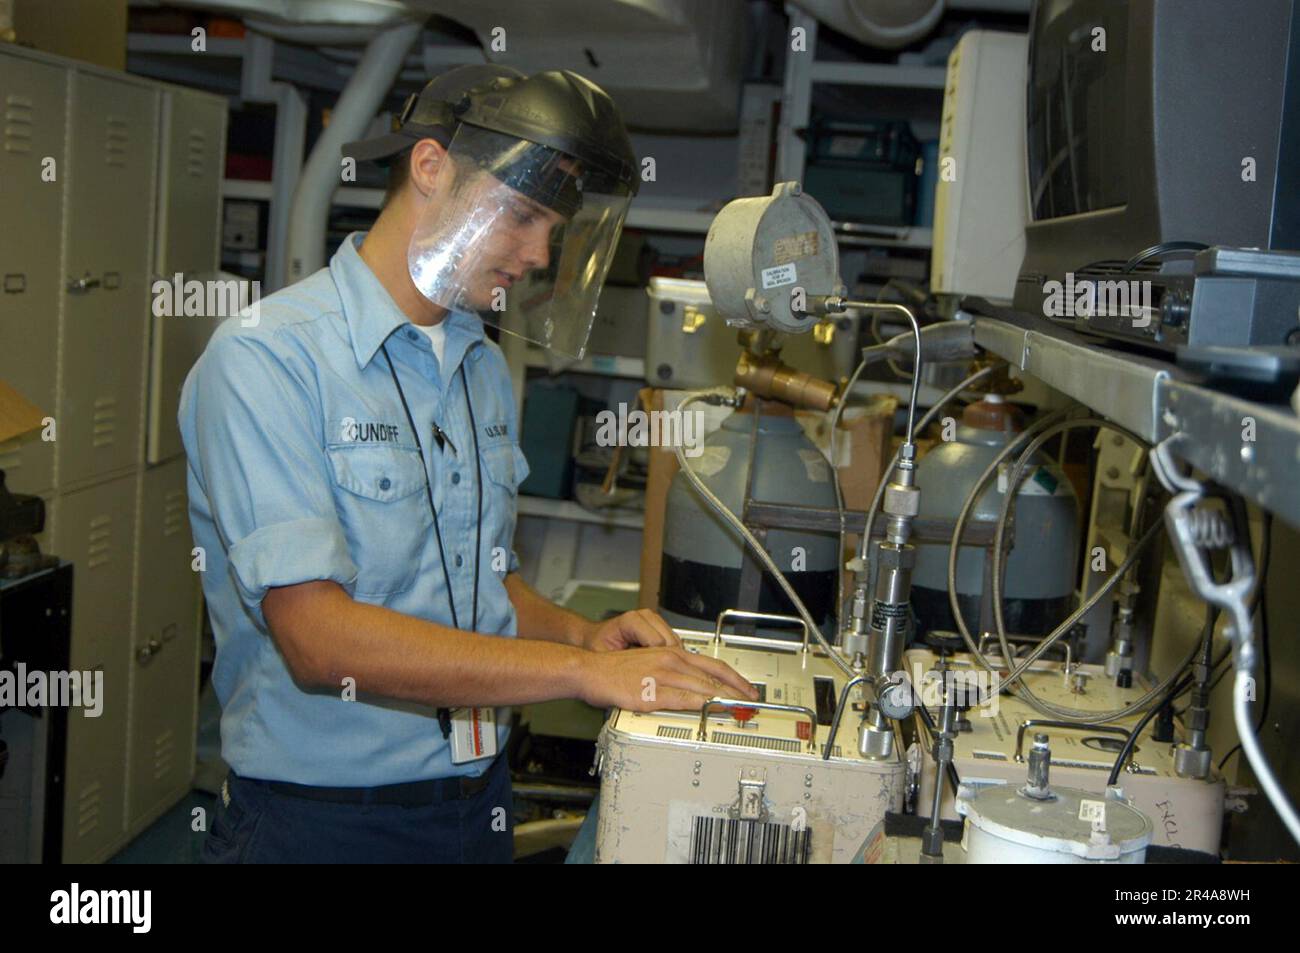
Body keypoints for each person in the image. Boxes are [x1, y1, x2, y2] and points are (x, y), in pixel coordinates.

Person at [179, 65, 755, 864]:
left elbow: (479, 582)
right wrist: (576, 677)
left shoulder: (477, 361)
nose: (538, 254)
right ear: (429, 167)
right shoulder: (267, 359)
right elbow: (319, 639)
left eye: (553, 227)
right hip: (322, 823)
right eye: (521, 215)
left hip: (474, 802)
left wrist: (587, 638)